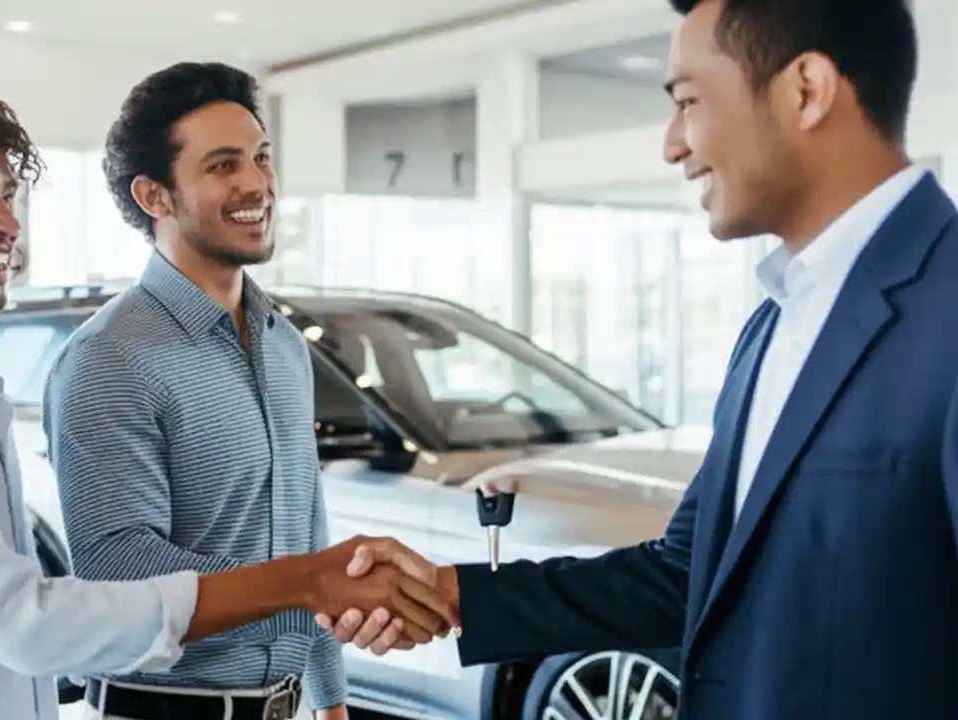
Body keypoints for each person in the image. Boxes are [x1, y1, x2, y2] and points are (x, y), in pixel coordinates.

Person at [0, 52, 456, 720]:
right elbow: (33, 617)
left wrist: (325, 681)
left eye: (6, 196)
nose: (7, 224)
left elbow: (302, 522)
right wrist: (307, 582)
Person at [328, 0, 958, 717]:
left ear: (805, 90)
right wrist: (450, 592)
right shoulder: (775, 321)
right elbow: (687, 573)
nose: (673, 145)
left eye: (688, 102)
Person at [41, 61, 449, 720]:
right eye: (223, 165)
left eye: (261, 158)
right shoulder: (108, 359)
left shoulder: (285, 345)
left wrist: (330, 699)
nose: (257, 183)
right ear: (155, 196)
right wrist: (309, 588)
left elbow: (304, 538)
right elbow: (118, 568)